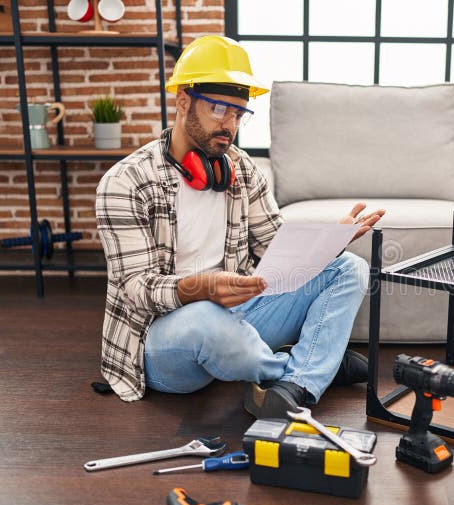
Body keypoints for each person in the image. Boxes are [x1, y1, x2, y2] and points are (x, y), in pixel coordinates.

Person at [95, 35, 384, 418]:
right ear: (183, 101)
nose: (229, 125)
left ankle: (296, 384)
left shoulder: (241, 168)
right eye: (219, 109)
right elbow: (137, 289)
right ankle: (312, 368)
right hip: (166, 337)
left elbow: (275, 244)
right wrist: (203, 287)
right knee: (206, 320)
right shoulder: (125, 182)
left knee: (350, 268)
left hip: (239, 312)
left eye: (238, 114)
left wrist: (329, 239)